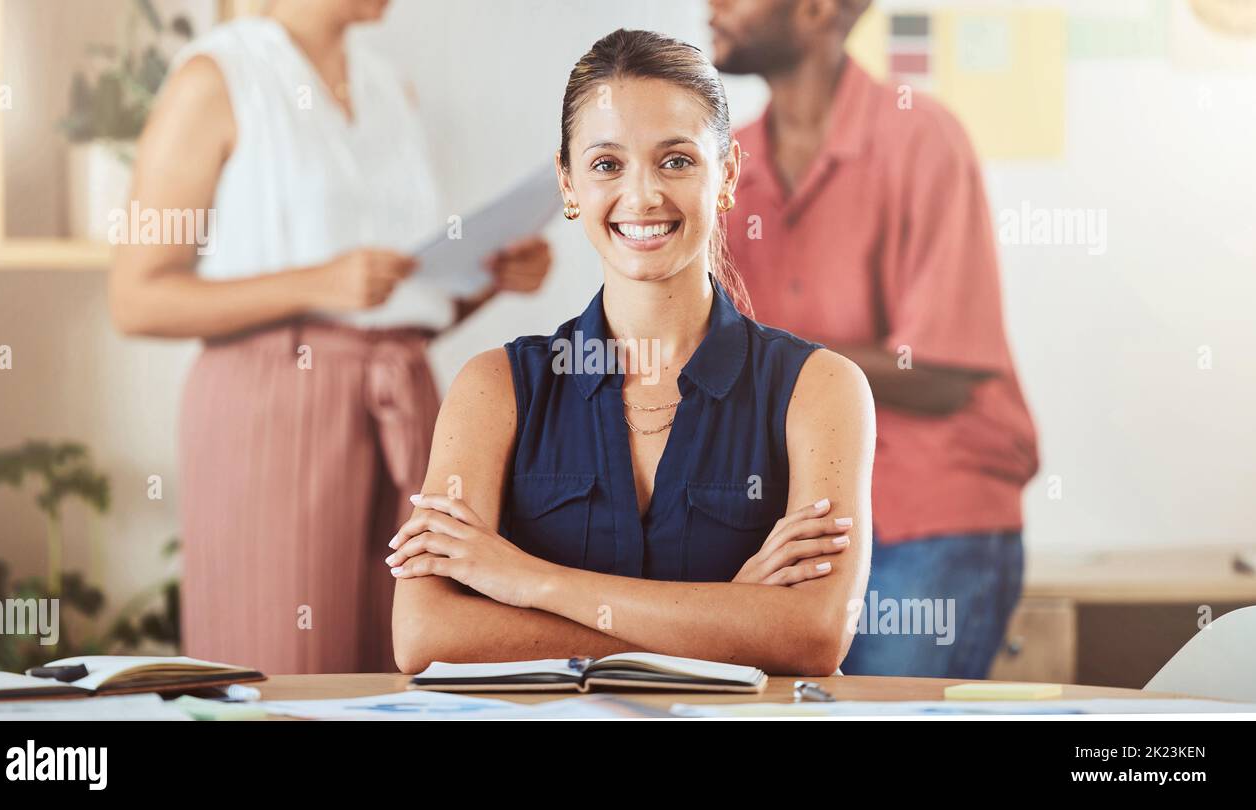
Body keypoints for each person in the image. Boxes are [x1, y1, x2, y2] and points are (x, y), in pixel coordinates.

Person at [386, 29, 875, 676]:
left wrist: (526, 580)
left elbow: (812, 635)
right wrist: (731, 620)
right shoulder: (495, 388)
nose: (642, 196)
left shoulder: (819, 388)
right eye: (607, 165)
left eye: (676, 160)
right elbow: (424, 635)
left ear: (726, 174)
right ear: (568, 184)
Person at [109, 0, 550, 674]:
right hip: (271, 407)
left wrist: (488, 279)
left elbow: (384, 304)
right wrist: (314, 284)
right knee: (284, 663)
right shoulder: (215, 77)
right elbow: (136, 298)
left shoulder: (388, 87)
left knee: (412, 657)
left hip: (404, 396)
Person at [709, 0, 1039, 677]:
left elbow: (944, 373)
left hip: (925, 515)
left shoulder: (923, 138)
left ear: (815, 10)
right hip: (794, 521)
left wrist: (764, 355)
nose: (712, 4)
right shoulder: (725, 165)